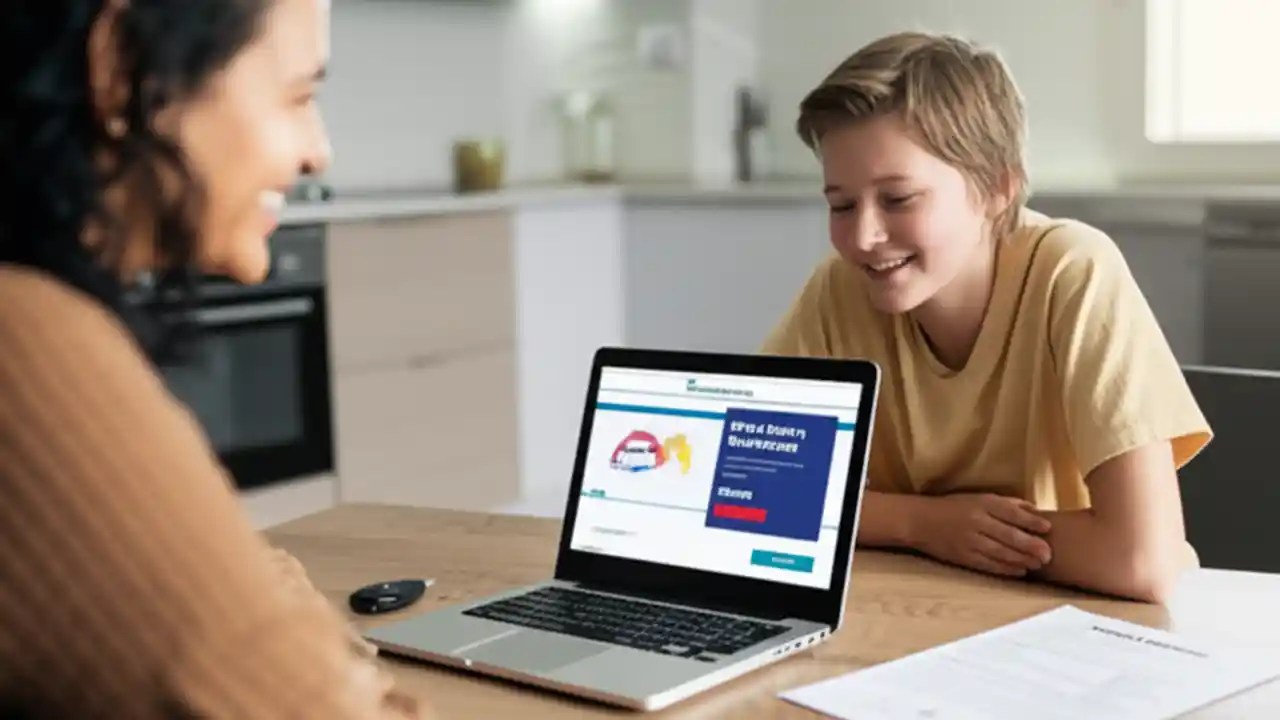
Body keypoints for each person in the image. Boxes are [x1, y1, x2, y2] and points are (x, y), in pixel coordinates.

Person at [0, 0, 425, 717]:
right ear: (123, 69)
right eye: (298, 96)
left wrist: (263, 588)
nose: (318, 151)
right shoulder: (26, 343)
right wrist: (303, 627)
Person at [762, 31, 1212, 604]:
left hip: (1081, 619)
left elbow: (1141, 560)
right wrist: (923, 525)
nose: (864, 237)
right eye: (841, 205)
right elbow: (758, 494)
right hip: (920, 608)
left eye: (898, 199)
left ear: (998, 189)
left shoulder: (1072, 270)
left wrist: (874, 520)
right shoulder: (838, 288)